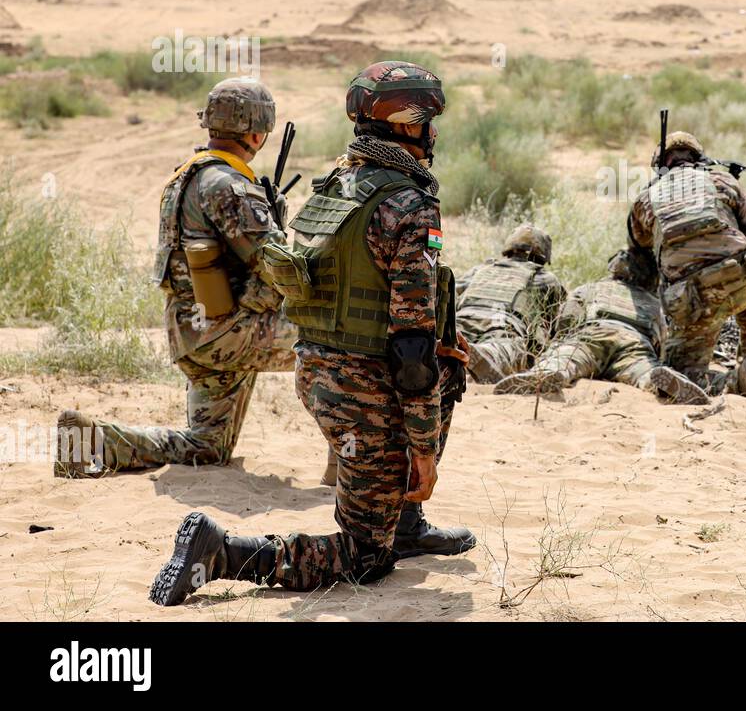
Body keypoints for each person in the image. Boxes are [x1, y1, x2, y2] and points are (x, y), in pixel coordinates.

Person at [148, 61, 467, 606]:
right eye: (428, 121)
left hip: (316, 373)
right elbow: (410, 346)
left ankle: (405, 522)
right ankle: (223, 551)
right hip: (366, 393)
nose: (433, 132)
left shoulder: (340, 182)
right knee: (366, 558)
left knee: (451, 357)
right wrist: (423, 449)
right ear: (409, 124)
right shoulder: (411, 204)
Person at [55, 78, 297, 477]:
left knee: (207, 448)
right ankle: (348, 466)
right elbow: (277, 269)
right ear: (256, 131)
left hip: (190, 333)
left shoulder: (186, 176)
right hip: (229, 334)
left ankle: (90, 441)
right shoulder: (230, 186)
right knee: (334, 344)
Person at [628, 131, 746, 410]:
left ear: (660, 165)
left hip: (693, 300)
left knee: (676, 377)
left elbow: (638, 250)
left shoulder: (646, 198)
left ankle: (737, 381)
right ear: (697, 156)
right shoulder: (724, 181)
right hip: (743, 284)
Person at [494, 248, 708, 404]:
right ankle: (655, 380)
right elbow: (662, 338)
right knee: (642, 369)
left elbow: (567, 320)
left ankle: (551, 371)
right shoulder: (654, 301)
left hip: (592, 334)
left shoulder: (591, 288)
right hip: (634, 341)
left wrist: (559, 342)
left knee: (566, 358)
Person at [455, 223, 567, 383]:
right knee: (509, 347)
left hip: (464, 318)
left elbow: (451, 292)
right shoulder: (544, 278)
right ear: (542, 253)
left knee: (455, 338)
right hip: (503, 324)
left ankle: (452, 350)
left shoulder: (480, 269)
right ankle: (485, 354)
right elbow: (553, 324)